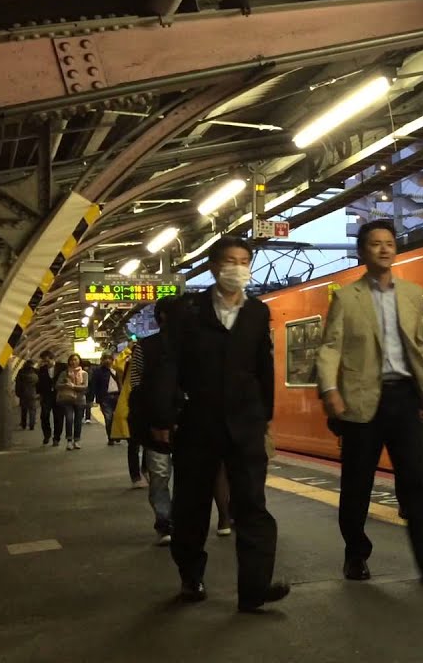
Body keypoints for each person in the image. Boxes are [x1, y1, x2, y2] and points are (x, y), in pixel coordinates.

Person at [316, 219, 423, 585]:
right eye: (375, 243)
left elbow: (418, 347)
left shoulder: (412, 293)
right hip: (362, 401)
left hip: (403, 396)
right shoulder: (347, 297)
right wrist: (330, 390)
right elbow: (331, 346)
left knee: (415, 481)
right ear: (362, 252)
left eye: (389, 243)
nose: (384, 249)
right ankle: (355, 554)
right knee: (357, 484)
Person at [152, 236, 288, 611]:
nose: (238, 268)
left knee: (252, 506)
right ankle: (191, 575)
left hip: (245, 423)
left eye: (245, 261)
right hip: (199, 422)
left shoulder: (257, 312)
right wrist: (163, 417)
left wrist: (266, 418)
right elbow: (169, 365)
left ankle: (255, 588)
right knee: (191, 506)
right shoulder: (188, 311)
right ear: (213, 266)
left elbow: (263, 368)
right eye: (230, 260)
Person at [126, 297, 179, 545]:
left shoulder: (193, 345)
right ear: (164, 317)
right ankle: (165, 520)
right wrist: (152, 420)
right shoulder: (144, 347)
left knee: (167, 475)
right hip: (157, 423)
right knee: (161, 475)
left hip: (183, 422)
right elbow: (136, 385)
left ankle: (175, 520)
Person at [55, 354, 88, 450]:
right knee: (69, 419)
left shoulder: (84, 373)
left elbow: (85, 387)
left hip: (80, 400)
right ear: (69, 362)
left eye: (75, 360)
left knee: (78, 421)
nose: (73, 362)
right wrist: (66, 384)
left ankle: (76, 440)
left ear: (79, 361)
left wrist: (73, 386)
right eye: (71, 360)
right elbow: (57, 385)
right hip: (67, 399)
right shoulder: (64, 373)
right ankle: (69, 441)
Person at [90, 353, 121, 445]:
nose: (107, 360)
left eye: (109, 358)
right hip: (105, 398)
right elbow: (94, 385)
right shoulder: (98, 372)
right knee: (108, 418)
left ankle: (117, 434)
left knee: (118, 417)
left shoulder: (117, 370)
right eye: (105, 359)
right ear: (102, 360)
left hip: (118, 396)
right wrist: (92, 399)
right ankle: (111, 437)